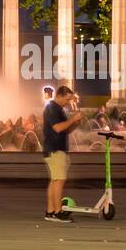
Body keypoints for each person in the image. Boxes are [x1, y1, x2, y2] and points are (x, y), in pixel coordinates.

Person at [42, 85, 84, 222]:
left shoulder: (58, 109)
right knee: (59, 181)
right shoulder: (51, 108)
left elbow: (65, 130)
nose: (68, 103)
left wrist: (75, 123)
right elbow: (58, 128)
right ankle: (58, 211)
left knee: (54, 181)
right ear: (59, 95)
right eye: (67, 99)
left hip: (56, 149)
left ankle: (50, 211)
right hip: (55, 149)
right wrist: (72, 119)